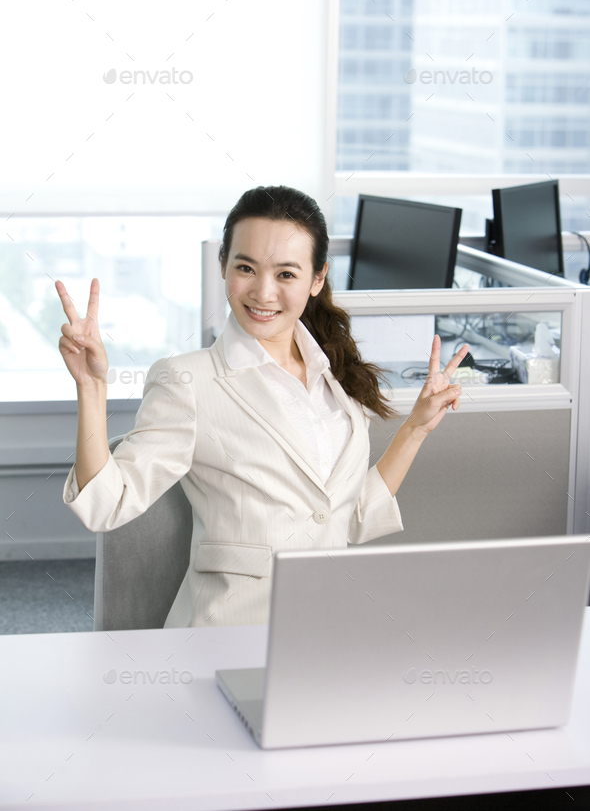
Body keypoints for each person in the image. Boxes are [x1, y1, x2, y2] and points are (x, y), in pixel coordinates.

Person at [57, 185, 468, 628]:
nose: (263, 292)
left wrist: (415, 429)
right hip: (228, 633)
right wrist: (92, 387)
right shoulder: (187, 381)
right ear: (223, 266)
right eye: (246, 268)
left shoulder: (336, 378)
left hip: (323, 630)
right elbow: (106, 505)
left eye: (286, 274)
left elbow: (351, 519)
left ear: (317, 279)